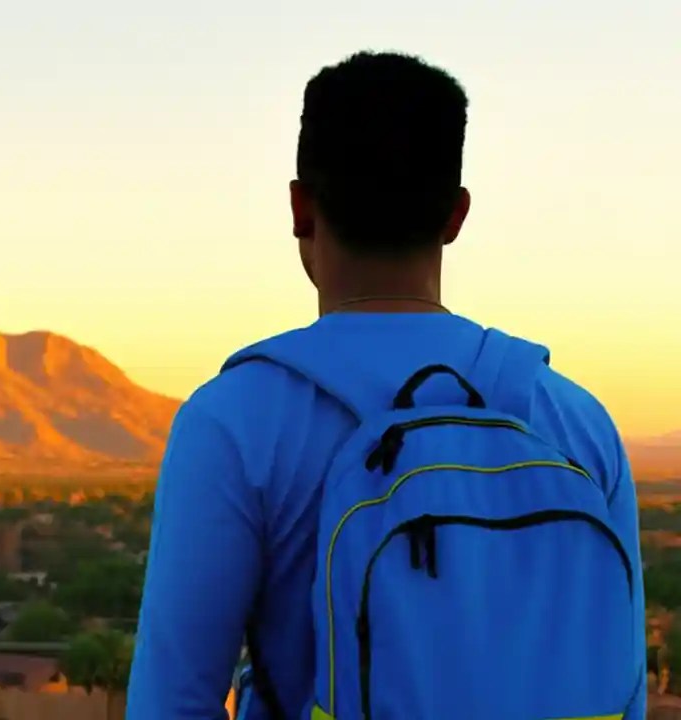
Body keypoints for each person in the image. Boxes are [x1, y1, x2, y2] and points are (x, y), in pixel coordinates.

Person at [126, 51, 645, 719]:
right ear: (456, 215)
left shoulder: (235, 420)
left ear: (300, 208)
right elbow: (623, 691)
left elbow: (173, 701)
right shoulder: (574, 421)